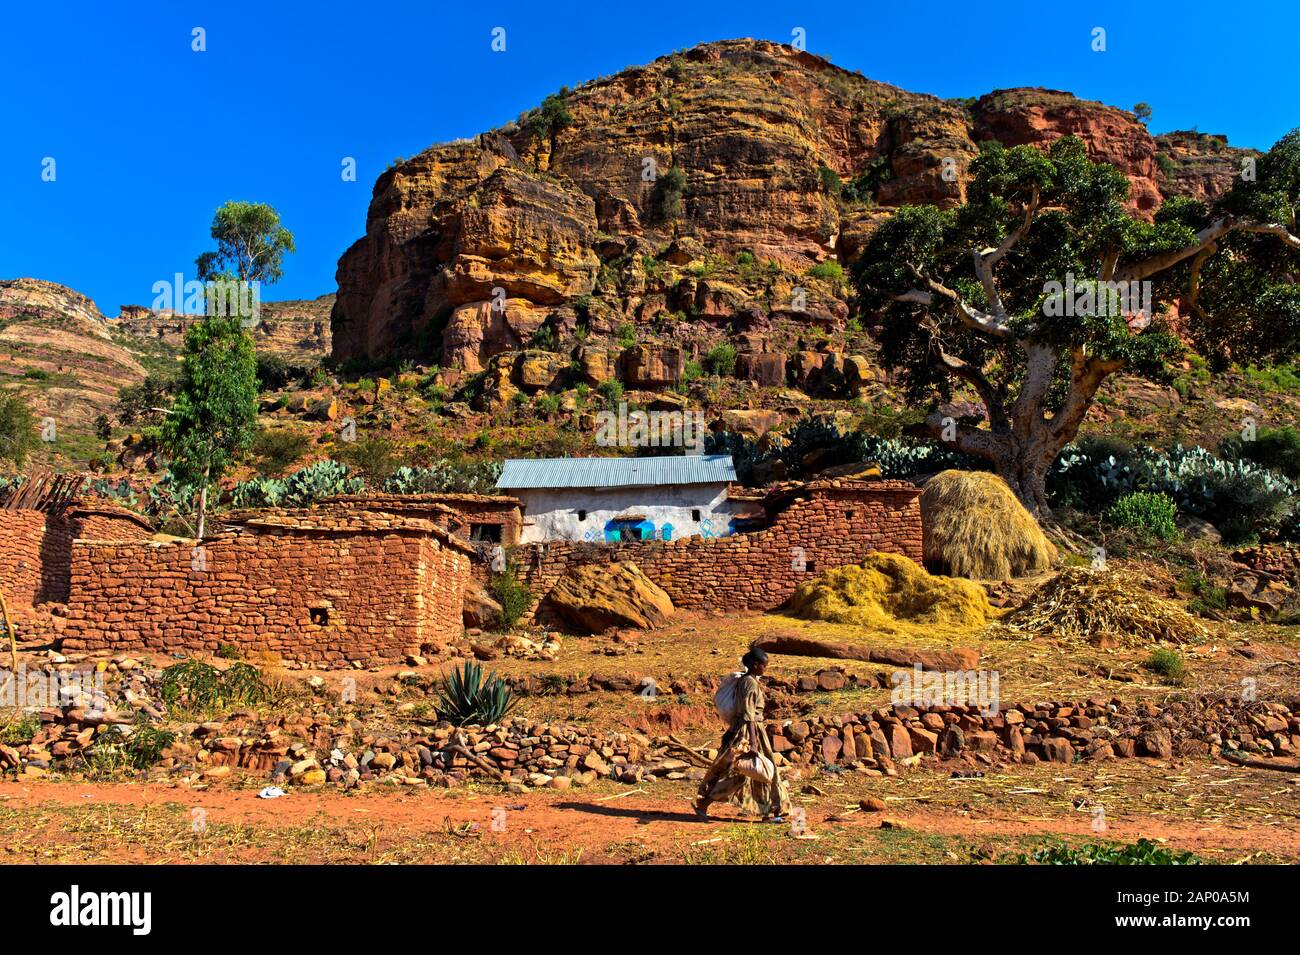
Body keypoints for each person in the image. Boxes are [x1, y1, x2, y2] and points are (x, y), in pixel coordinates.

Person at [693, 647, 790, 822]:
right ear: (755, 665)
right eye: (763, 666)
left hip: (747, 729)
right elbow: (748, 713)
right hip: (749, 731)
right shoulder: (750, 683)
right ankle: (704, 803)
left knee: (760, 771)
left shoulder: (746, 680)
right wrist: (754, 742)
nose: (765, 669)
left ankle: (769, 812)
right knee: (743, 772)